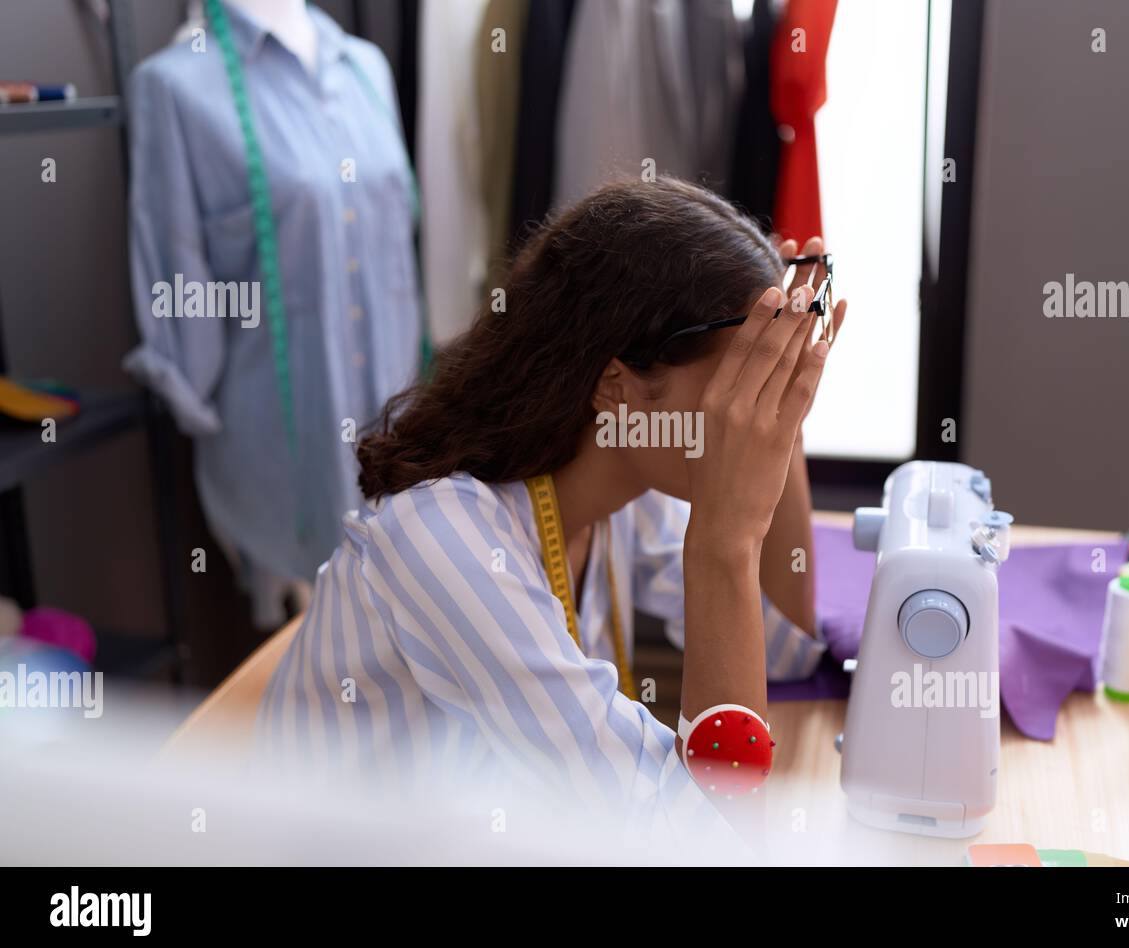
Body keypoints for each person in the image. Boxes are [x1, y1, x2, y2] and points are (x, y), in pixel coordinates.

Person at [257, 178, 847, 830]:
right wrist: (724, 547)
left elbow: (786, 648)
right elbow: (699, 839)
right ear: (619, 387)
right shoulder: (444, 540)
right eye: (747, 374)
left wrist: (788, 401)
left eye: (769, 376)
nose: (753, 408)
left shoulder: (624, 496)